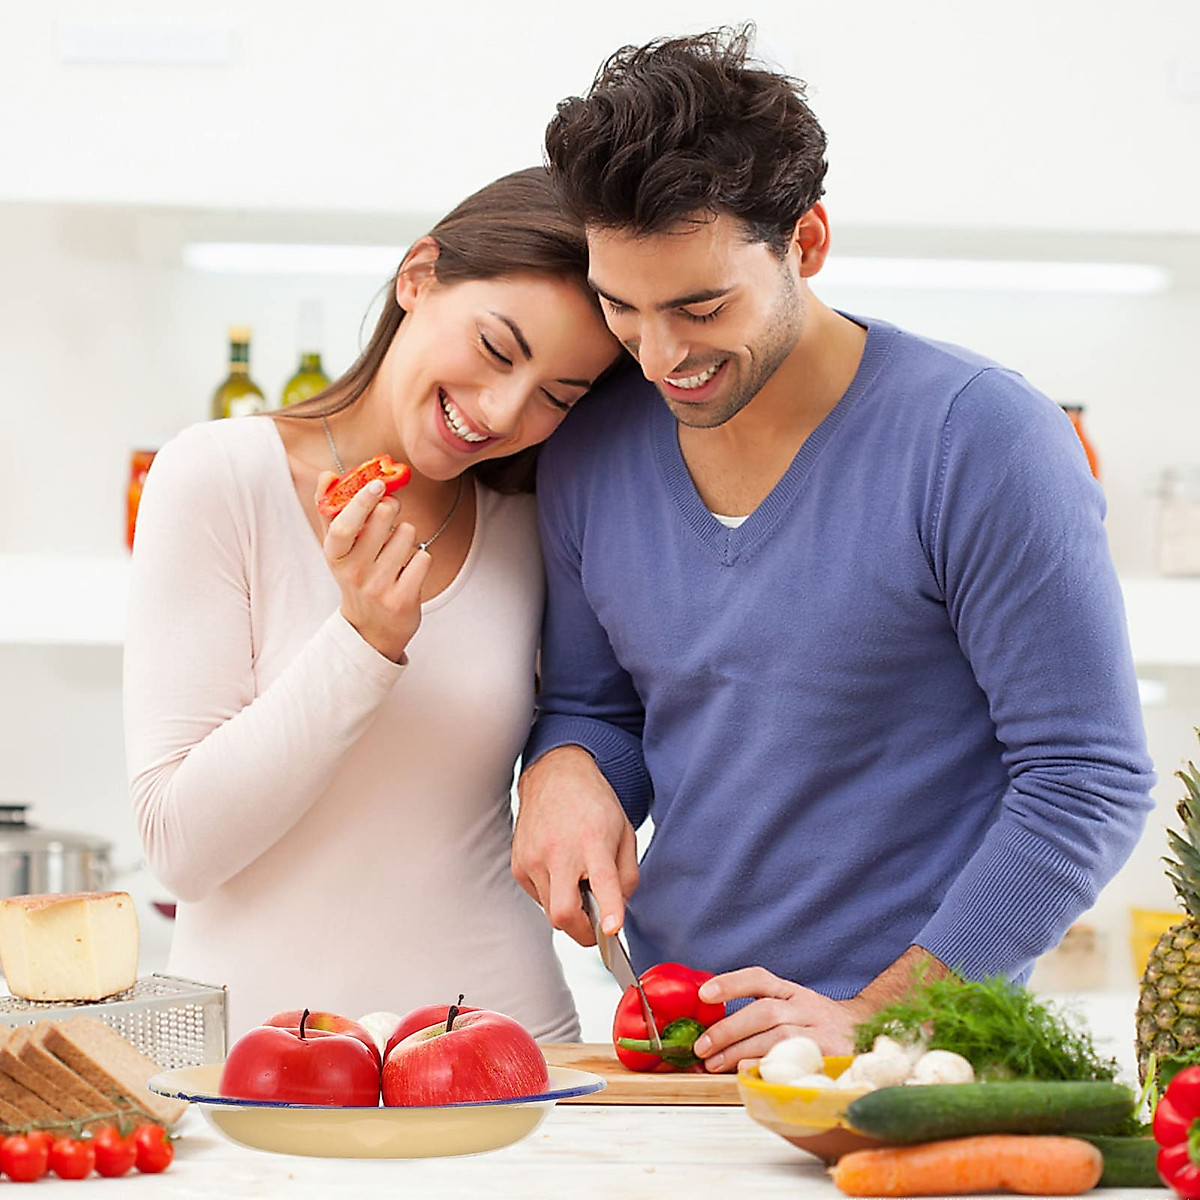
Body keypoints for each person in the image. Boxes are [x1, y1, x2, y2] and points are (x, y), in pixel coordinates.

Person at [511, 28, 1155, 1069]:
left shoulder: (980, 439)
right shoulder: (590, 452)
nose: (659, 355)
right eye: (620, 307)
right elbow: (598, 706)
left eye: (701, 305)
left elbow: (1086, 777)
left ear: (805, 243)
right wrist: (567, 768)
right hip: (680, 1039)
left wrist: (880, 1020)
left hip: (924, 1058)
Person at [124, 166, 623, 1040]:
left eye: (557, 396)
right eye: (498, 348)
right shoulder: (218, 475)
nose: (503, 411)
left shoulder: (536, 518)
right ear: (418, 276)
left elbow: (606, 714)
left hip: (504, 1057)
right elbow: (179, 848)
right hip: (259, 1064)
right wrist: (362, 642)